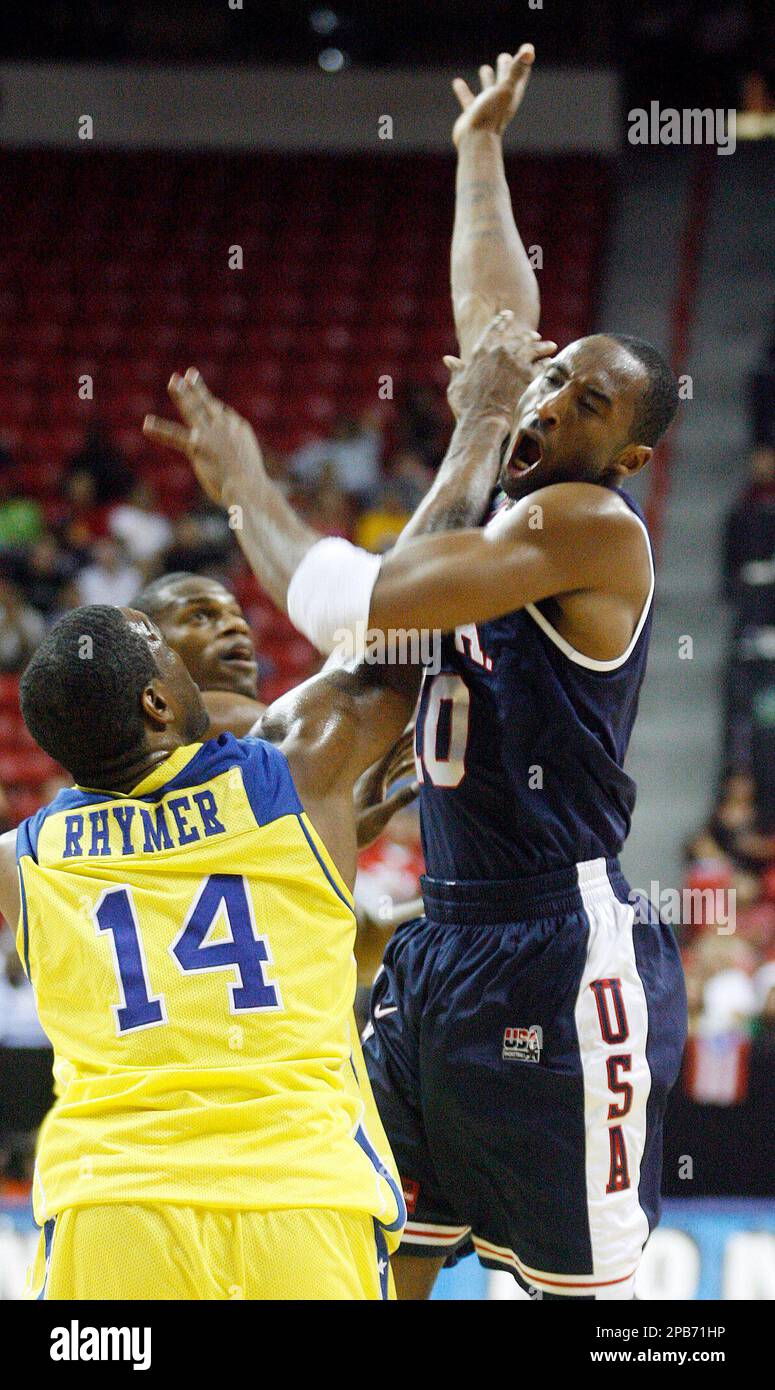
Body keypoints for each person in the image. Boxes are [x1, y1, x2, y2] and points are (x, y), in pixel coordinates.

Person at [145, 46, 687, 1303]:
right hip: (441, 939)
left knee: (582, 1300)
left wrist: (248, 493)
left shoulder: (587, 530)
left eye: (588, 398)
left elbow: (359, 605)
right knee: (379, 1255)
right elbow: (499, 334)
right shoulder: (508, 490)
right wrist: (478, 154)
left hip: (562, 949)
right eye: (555, 377)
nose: (551, 395)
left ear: (634, 454)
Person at [0, 593, 421, 1300]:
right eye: (164, 648)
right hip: (298, 1197)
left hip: (111, 1207)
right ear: (157, 707)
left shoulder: (22, 861)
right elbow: (410, 623)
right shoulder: (290, 777)